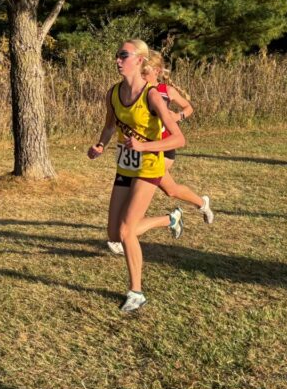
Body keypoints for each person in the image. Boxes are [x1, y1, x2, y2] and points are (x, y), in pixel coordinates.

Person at [87, 39, 186, 313]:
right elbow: (109, 126)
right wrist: (100, 145)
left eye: (124, 55)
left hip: (149, 167)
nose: (118, 60)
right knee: (112, 235)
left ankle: (136, 292)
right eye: (117, 55)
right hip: (125, 167)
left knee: (127, 230)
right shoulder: (113, 93)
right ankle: (170, 218)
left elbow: (178, 139)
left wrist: (144, 146)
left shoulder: (152, 95)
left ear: (139, 60)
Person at [142, 52, 214, 225]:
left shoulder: (166, 90)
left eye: (144, 73)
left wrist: (178, 116)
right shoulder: (136, 91)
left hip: (165, 147)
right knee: (171, 190)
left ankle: (127, 232)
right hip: (146, 146)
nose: (141, 77)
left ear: (157, 71)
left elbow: (188, 107)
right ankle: (201, 204)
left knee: (143, 185)